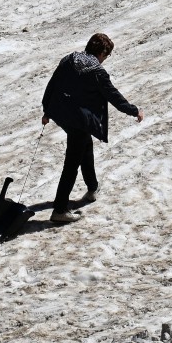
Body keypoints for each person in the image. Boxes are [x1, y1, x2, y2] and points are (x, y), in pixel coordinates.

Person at [41, 32, 143, 223]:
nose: (105, 60)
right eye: (107, 55)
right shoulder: (97, 72)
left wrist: (47, 110)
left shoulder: (69, 59)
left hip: (63, 114)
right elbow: (114, 96)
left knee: (85, 146)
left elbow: (52, 85)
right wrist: (134, 110)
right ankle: (60, 210)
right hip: (79, 120)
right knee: (71, 164)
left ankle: (92, 188)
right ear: (102, 52)